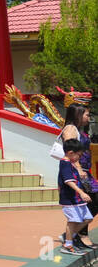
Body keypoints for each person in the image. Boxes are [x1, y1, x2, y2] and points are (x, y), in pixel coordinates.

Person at [60, 104, 91, 243]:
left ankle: (72, 235)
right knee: (79, 209)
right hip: (76, 172)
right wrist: (78, 168)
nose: (88, 118)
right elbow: (70, 149)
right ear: (78, 114)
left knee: (88, 207)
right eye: (86, 115)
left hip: (83, 171)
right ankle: (70, 239)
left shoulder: (79, 129)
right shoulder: (70, 129)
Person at [58, 138, 94, 254]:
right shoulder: (65, 163)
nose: (79, 158)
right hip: (70, 199)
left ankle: (69, 235)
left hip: (76, 199)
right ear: (71, 153)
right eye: (79, 155)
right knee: (73, 220)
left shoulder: (71, 163)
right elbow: (68, 181)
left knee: (88, 218)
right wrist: (82, 192)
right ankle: (68, 245)